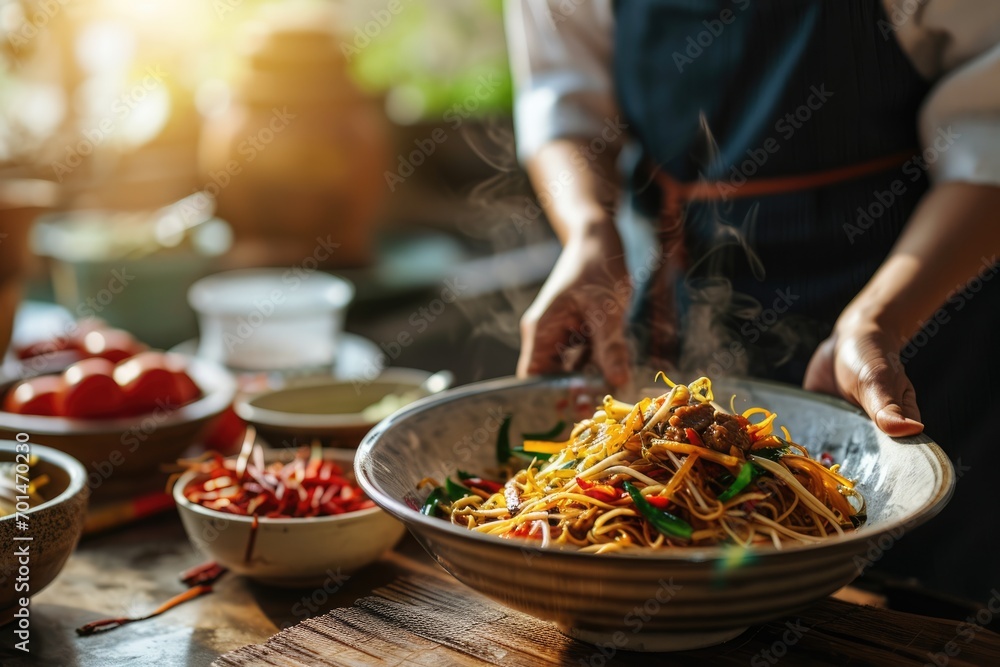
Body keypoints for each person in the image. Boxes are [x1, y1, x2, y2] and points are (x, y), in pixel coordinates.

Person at [505, 0, 1000, 604]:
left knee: (941, 599)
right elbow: (563, 105)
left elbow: (988, 132)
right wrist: (589, 233)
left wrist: (880, 318)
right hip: (682, 279)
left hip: (922, 296)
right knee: (680, 584)